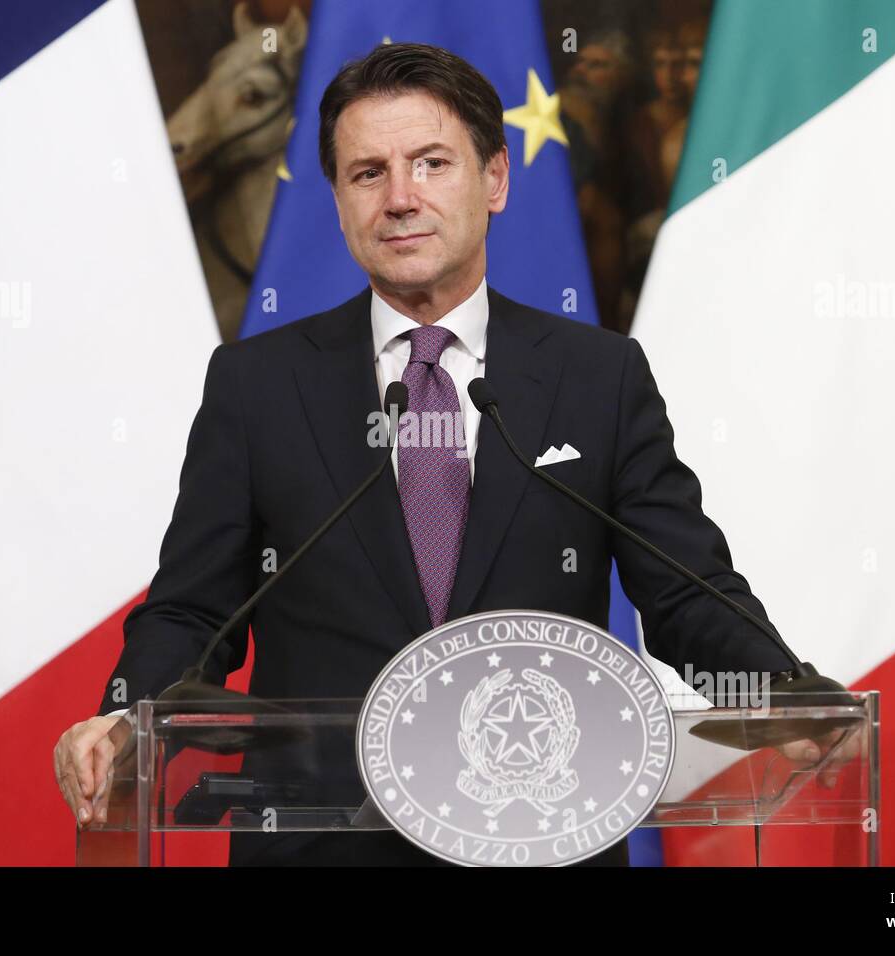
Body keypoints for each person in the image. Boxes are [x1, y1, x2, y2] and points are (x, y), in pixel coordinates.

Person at [54, 42, 849, 866]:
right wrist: (128, 716)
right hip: (322, 842)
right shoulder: (258, 385)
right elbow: (193, 609)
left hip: (538, 835)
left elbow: (686, 592)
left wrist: (778, 691)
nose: (400, 198)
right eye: (368, 173)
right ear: (337, 198)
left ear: (495, 179)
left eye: (431, 163)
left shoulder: (597, 377)